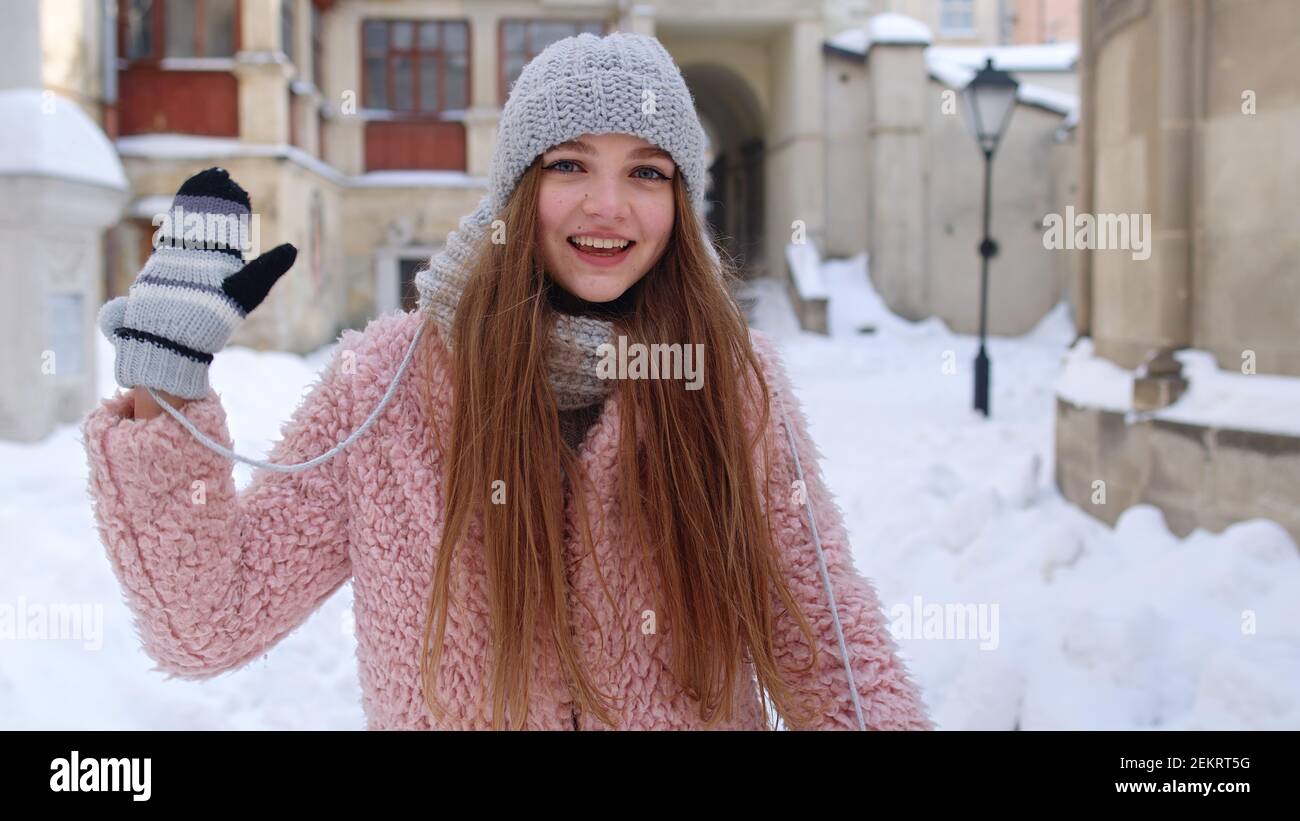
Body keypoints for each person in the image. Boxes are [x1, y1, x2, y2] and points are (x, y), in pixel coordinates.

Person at [83, 31, 932, 731]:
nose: (609, 205)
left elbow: (827, 649)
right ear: (516, 192)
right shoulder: (387, 386)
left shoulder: (731, 385)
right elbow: (210, 621)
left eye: (647, 171)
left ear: (680, 201)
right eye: (569, 165)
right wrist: (164, 385)